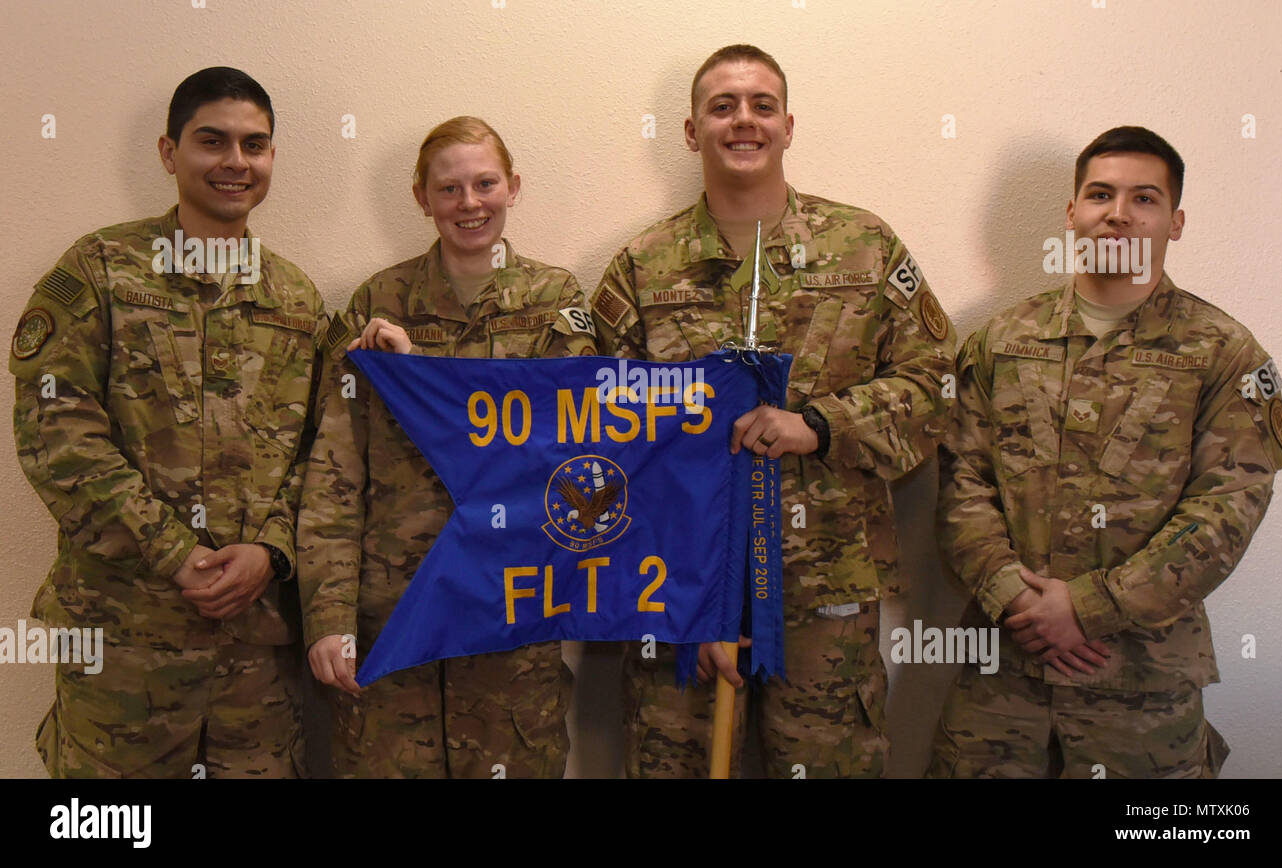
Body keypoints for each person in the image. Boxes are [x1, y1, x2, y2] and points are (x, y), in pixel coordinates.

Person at [591, 44, 956, 778]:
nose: (743, 121)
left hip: (825, 585)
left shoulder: (865, 246)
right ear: (692, 132)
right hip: (679, 586)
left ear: (789, 125)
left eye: (760, 105)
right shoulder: (642, 266)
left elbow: (936, 384)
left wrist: (821, 426)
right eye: (721, 107)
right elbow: (597, 426)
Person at [926, 126, 1282, 778]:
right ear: (1072, 212)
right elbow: (961, 481)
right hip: (1004, 674)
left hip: (1141, 686)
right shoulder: (1001, 340)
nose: (1118, 213)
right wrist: (1014, 596)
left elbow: (1225, 512)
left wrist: (1089, 609)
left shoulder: (1222, 352)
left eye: (1144, 198)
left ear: (1175, 222)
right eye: (1100, 194)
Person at [10, 67, 324, 777]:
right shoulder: (99, 274)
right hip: (124, 652)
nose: (235, 162)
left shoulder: (298, 299)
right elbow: (57, 434)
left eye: (255, 144)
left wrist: (272, 552)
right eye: (212, 141)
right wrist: (172, 552)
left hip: (255, 662)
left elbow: (322, 454)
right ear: (169, 152)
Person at [297, 116, 598, 778]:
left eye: (485, 183)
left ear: (513, 187)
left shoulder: (556, 306)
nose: (469, 204)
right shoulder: (377, 305)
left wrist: (423, 373)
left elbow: (566, 463)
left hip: (508, 624)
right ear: (421, 198)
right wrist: (327, 615)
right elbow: (333, 475)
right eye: (450, 188)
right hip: (392, 626)